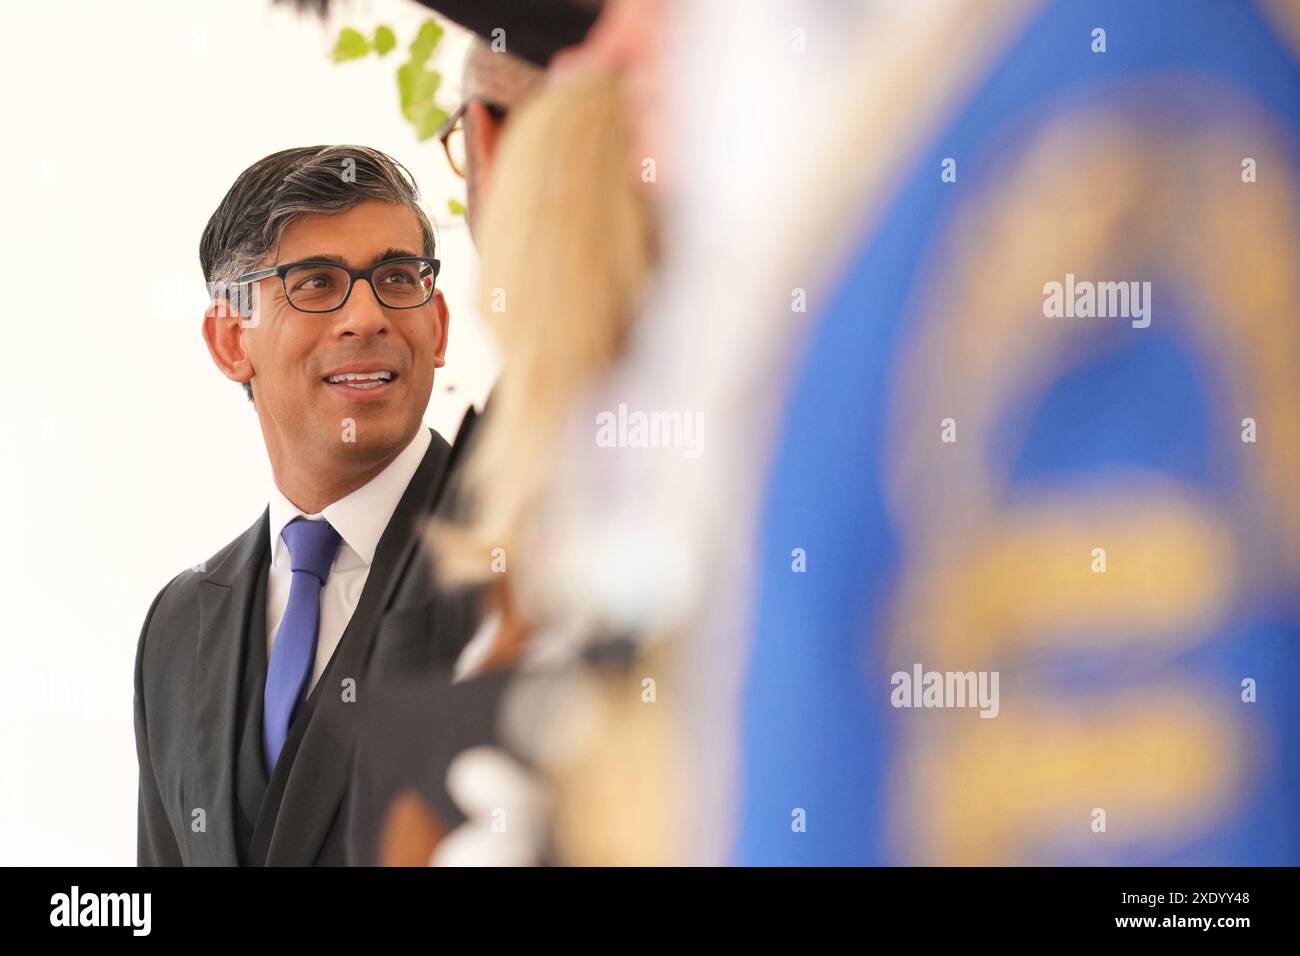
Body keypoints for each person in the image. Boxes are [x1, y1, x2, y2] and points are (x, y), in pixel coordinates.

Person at [133, 145, 476, 866]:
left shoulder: (526, 566)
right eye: (316, 283)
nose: (366, 316)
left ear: (437, 323)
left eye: (395, 278)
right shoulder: (177, 629)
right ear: (231, 340)